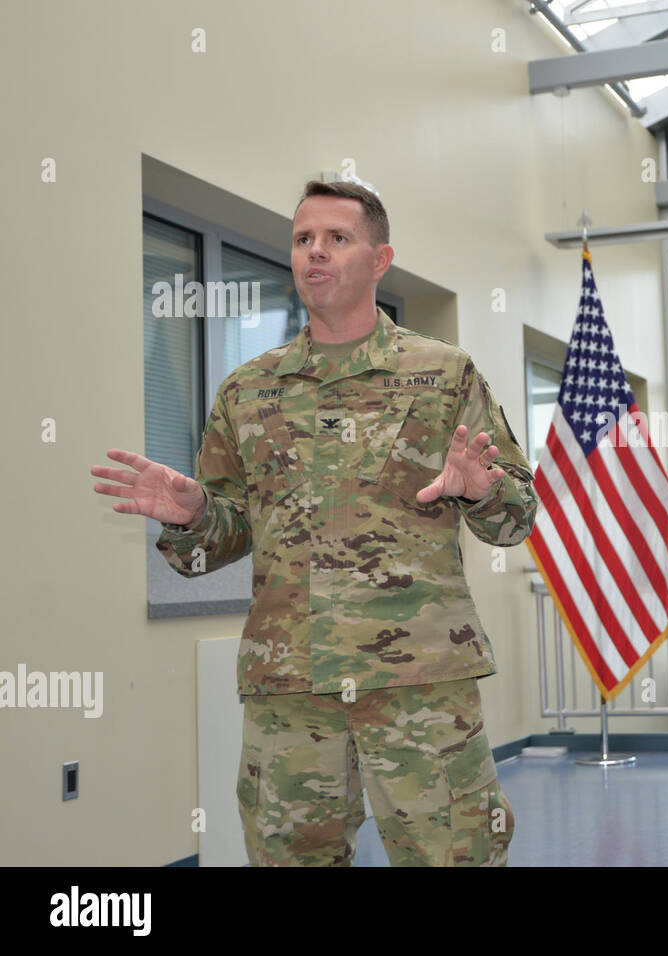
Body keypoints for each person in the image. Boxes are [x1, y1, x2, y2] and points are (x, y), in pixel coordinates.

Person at [92, 181, 537, 866]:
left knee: (456, 856)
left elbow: (515, 524)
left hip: (416, 685)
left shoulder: (443, 375)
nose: (315, 253)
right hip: (289, 688)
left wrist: (481, 491)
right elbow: (221, 538)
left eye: (337, 238)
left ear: (380, 259)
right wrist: (194, 515)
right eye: (303, 239)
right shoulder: (248, 389)